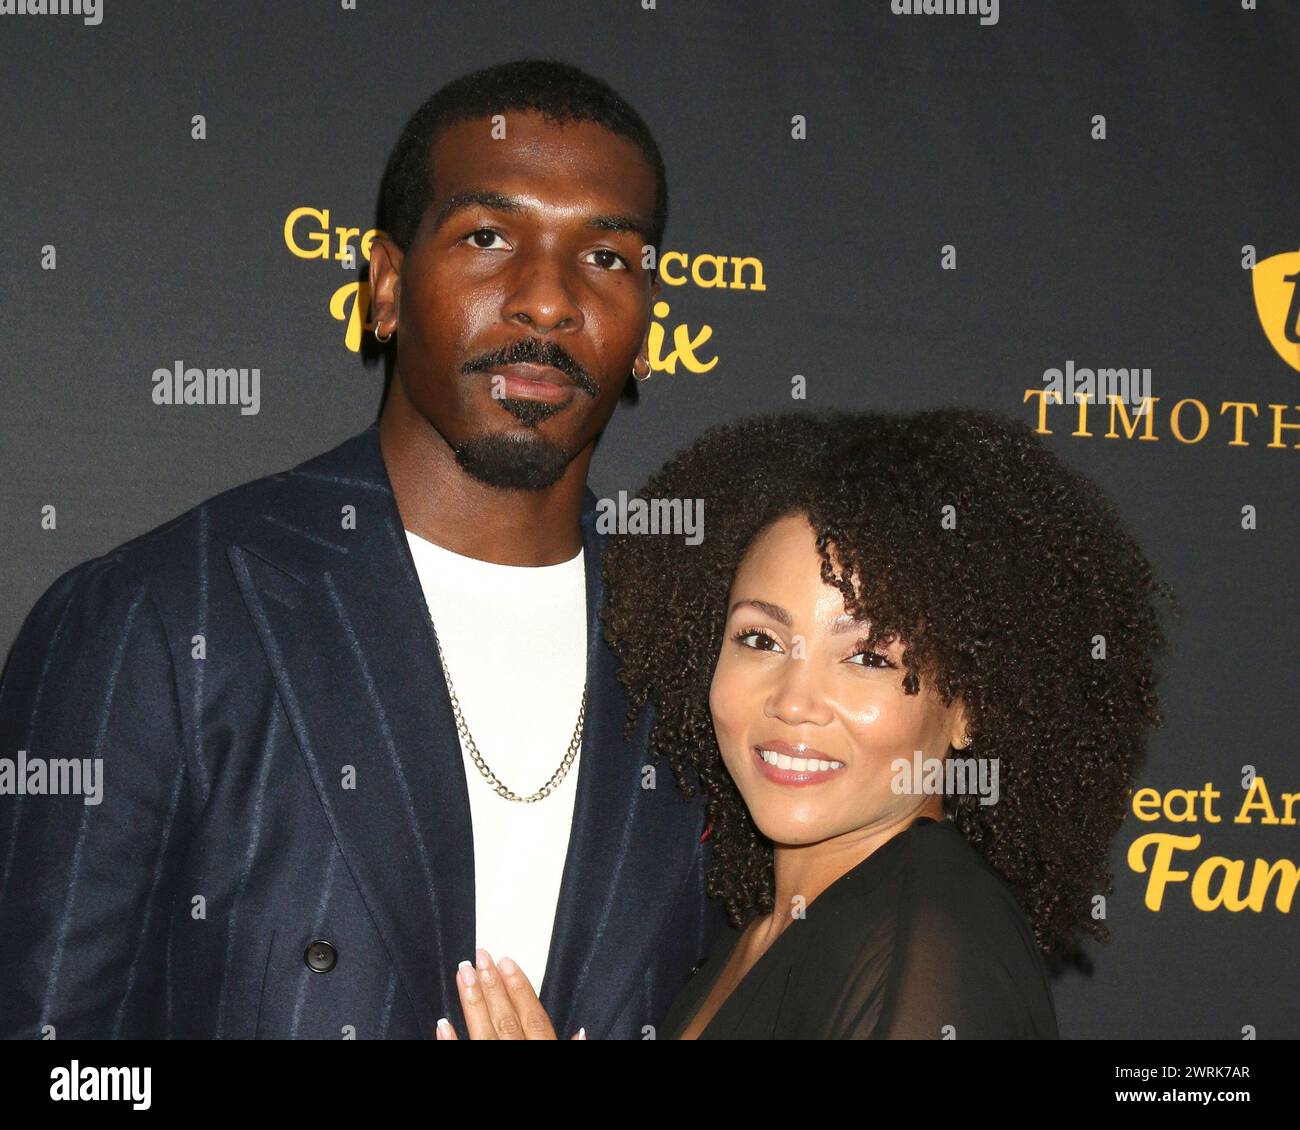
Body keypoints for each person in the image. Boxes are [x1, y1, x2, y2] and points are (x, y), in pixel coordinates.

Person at [0, 58, 725, 1040]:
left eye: (605, 257)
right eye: (488, 236)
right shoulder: (166, 615)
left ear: (646, 324)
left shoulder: (707, 653)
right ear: (384, 286)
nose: (548, 302)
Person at [440, 409, 1174, 1039]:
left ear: (969, 707)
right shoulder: (758, 934)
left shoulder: (920, 934)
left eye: (868, 658)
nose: (794, 701)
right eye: (760, 640)